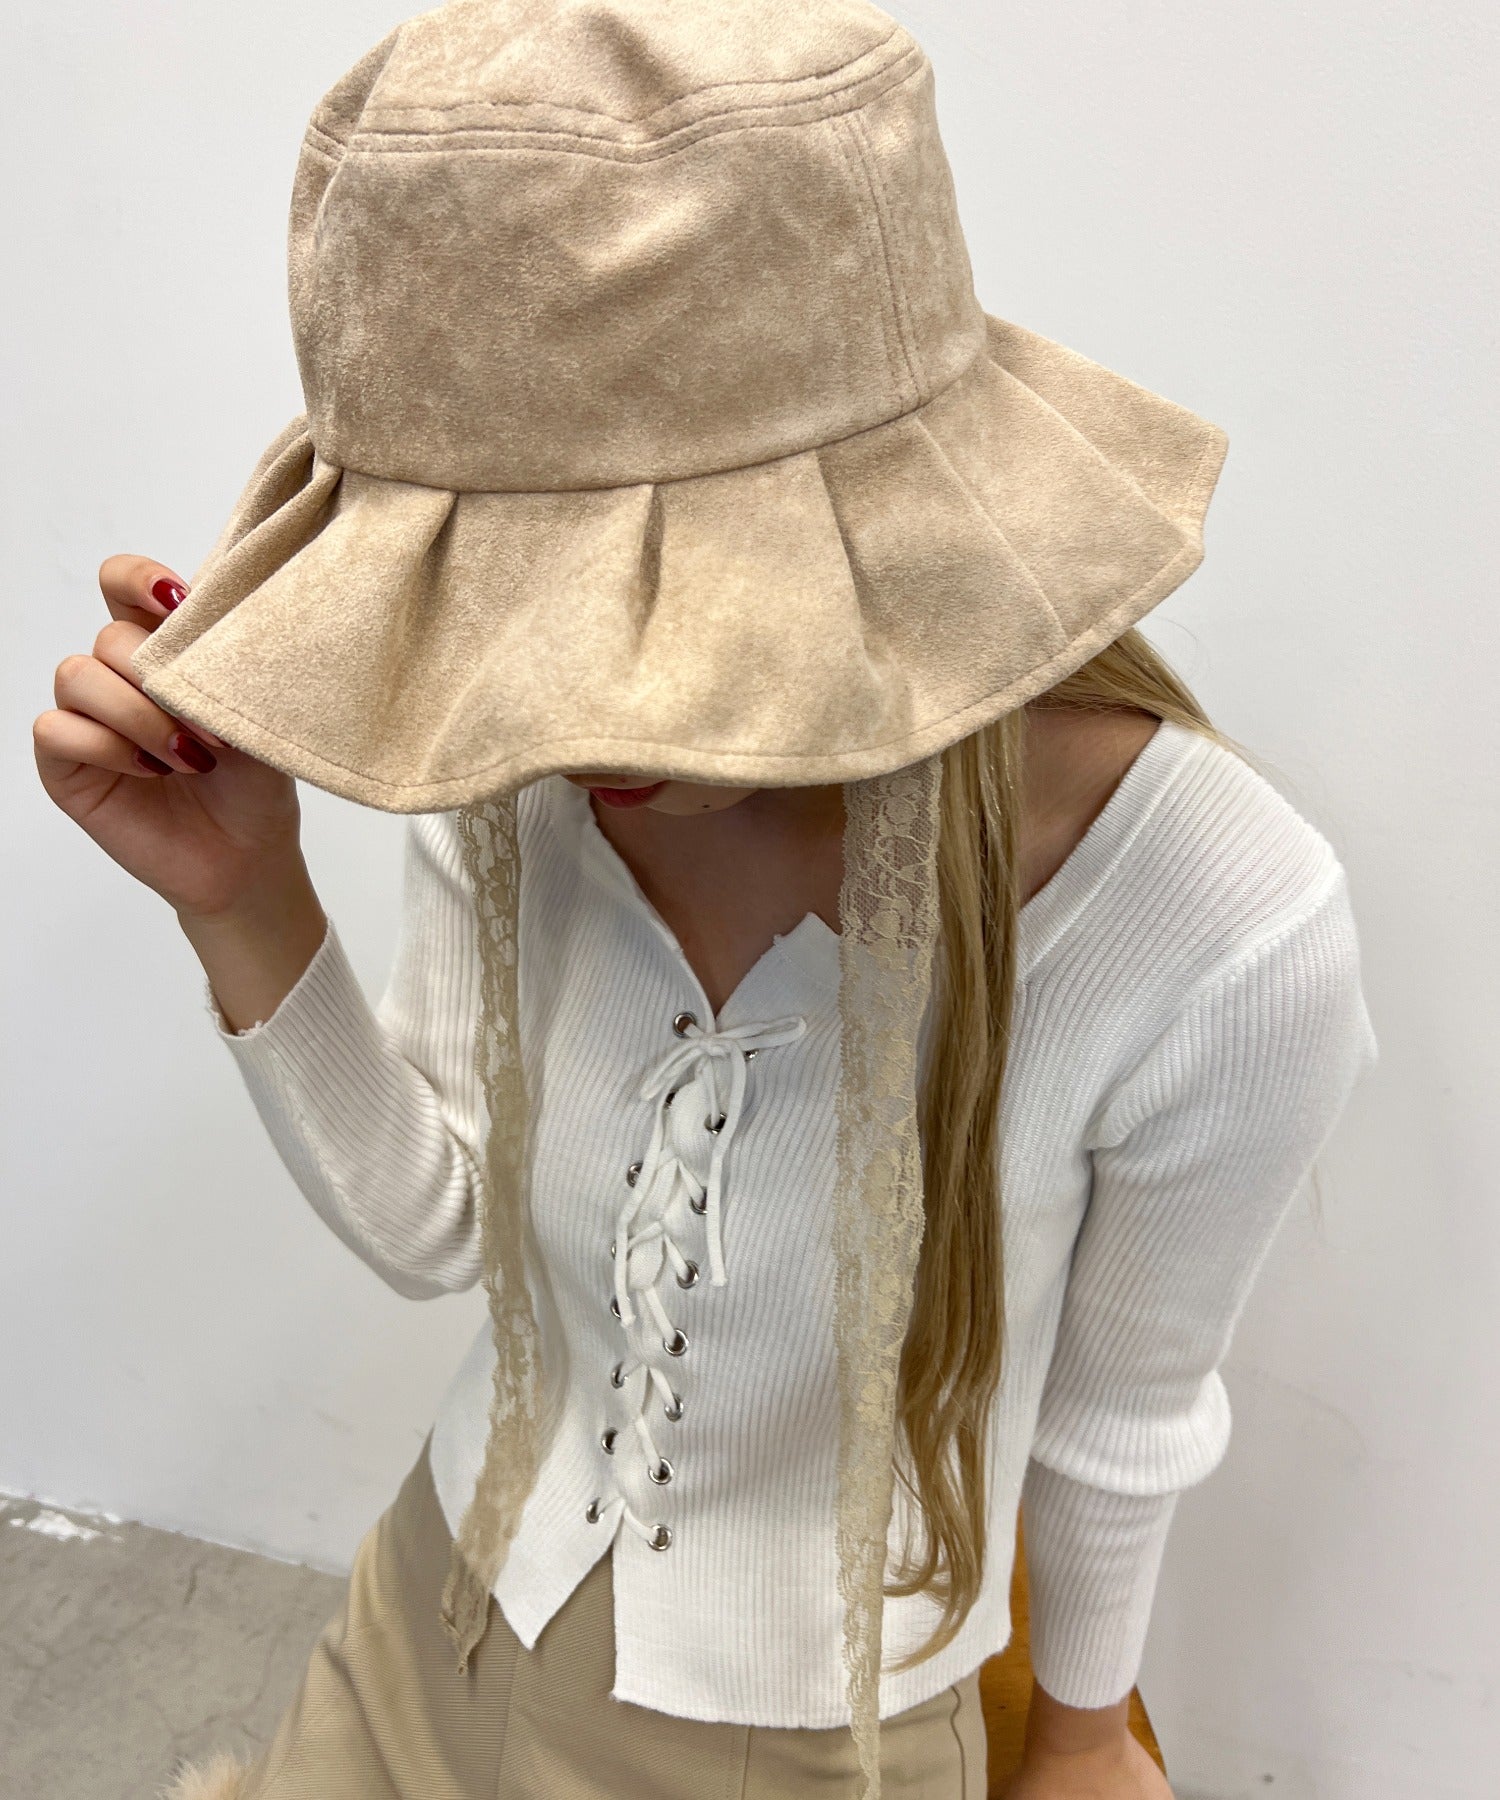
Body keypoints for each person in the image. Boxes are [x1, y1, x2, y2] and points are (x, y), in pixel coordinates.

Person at [32, 4, 1378, 1798]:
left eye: (625, 599)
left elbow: (1123, 1412)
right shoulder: (519, 772)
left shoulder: (1216, 918)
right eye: (499, 594)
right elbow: (443, 1227)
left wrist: (1075, 1736)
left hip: (808, 1746)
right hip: (418, 1626)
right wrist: (243, 895)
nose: (561, 698)